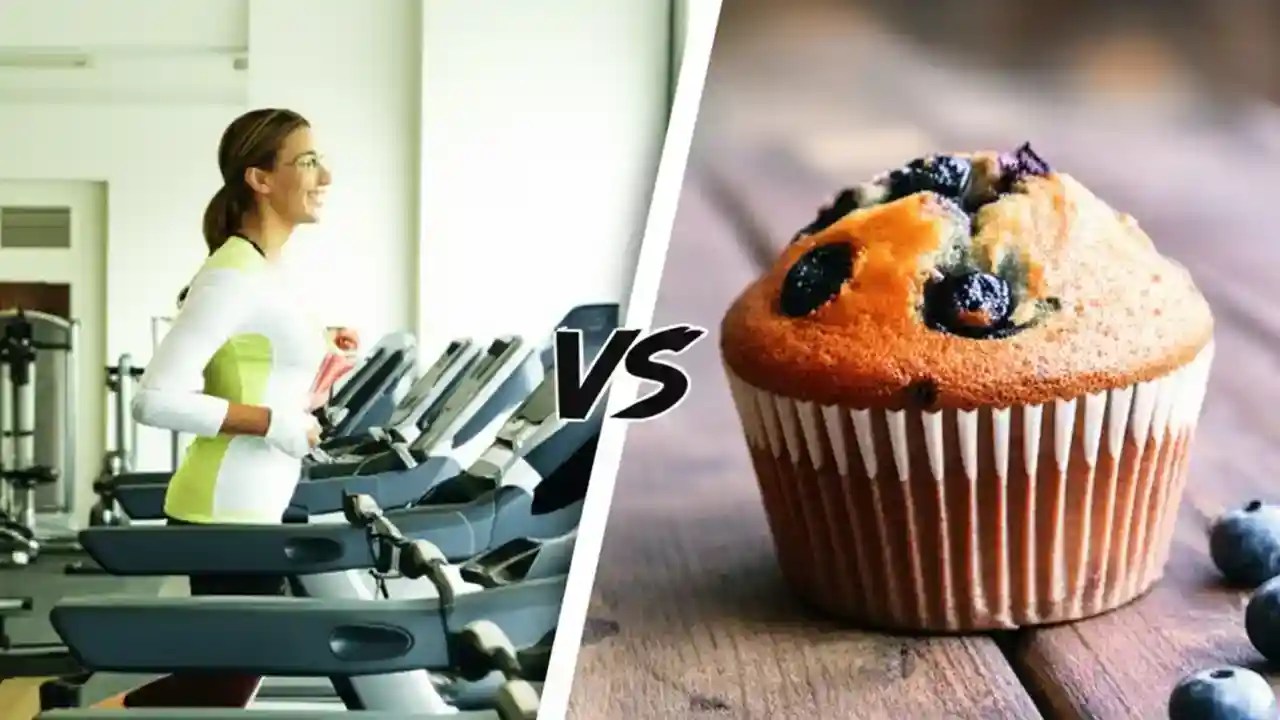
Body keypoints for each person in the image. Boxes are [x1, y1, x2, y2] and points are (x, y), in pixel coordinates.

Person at [123, 108, 359, 708]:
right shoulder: (233, 274)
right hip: (223, 506)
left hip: (251, 501)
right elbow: (153, 400)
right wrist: (274, 423)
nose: (324, 174)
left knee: (225, 684)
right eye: (307, 161)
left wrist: (322, 354)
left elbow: (255, 368)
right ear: (260, 178)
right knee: (221, 686)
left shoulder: (265, 270)